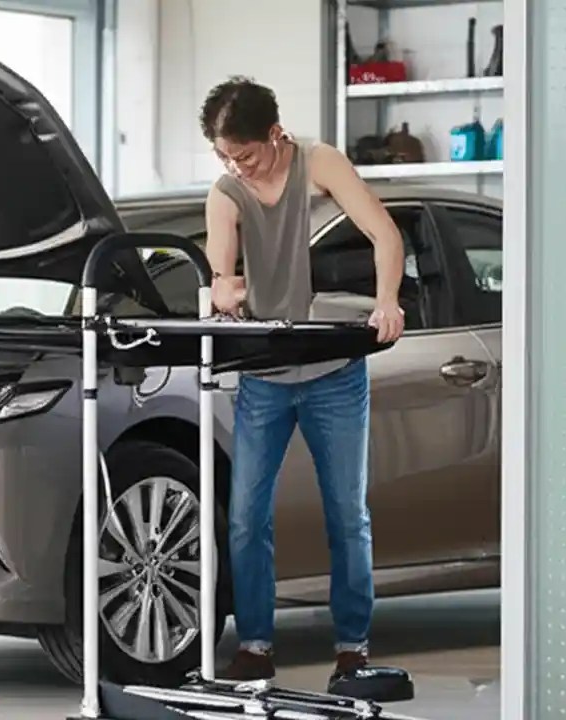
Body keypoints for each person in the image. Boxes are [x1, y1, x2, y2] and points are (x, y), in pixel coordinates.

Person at [197, 76, 405, 683]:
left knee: (346, 511)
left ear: (275, 133)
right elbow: (221, 279)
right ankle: (256, 644)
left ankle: (352, 646)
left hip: (335, 373)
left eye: (246, 154)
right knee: (245, 515)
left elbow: (384, 234)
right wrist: (223, 289)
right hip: (265, 376)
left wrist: (386, 300)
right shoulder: (226, 193)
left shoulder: (320, 162)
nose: (236, 166)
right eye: (224, 156)